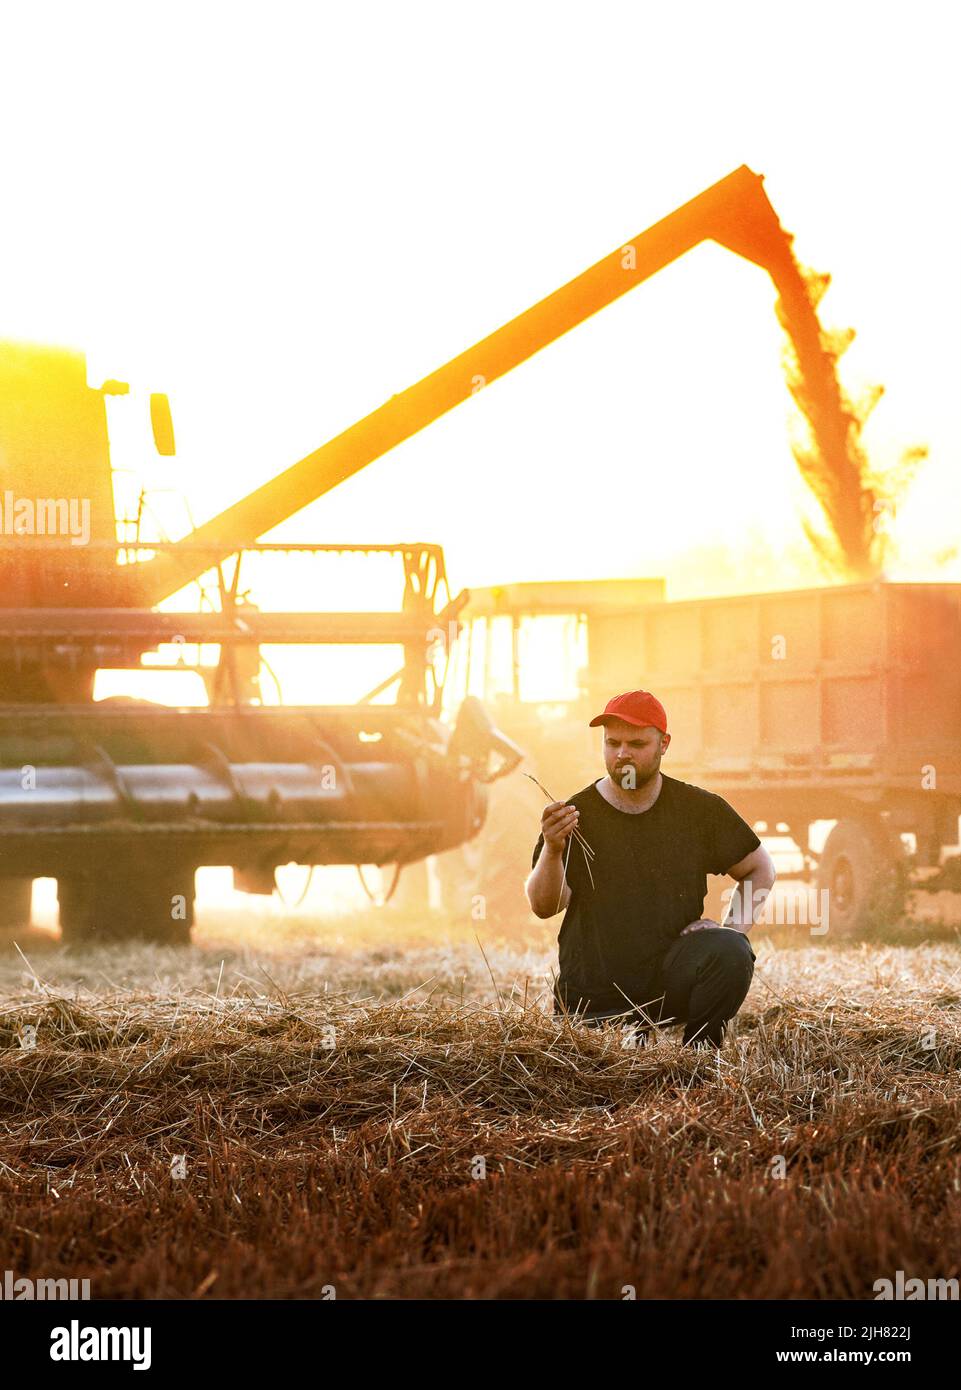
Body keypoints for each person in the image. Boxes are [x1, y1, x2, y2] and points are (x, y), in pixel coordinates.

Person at [525, 690, 776, 1048]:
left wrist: (732, 930)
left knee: (731, 951)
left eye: (636, 743)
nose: (622, 753)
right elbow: (544, 906)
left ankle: (697, 1058)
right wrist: (552, 849)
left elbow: (760, 868)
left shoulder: (698, 810)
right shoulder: (575, 816)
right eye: (613, 743)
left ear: (664, 744)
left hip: (668, 991)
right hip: (592, 1003)